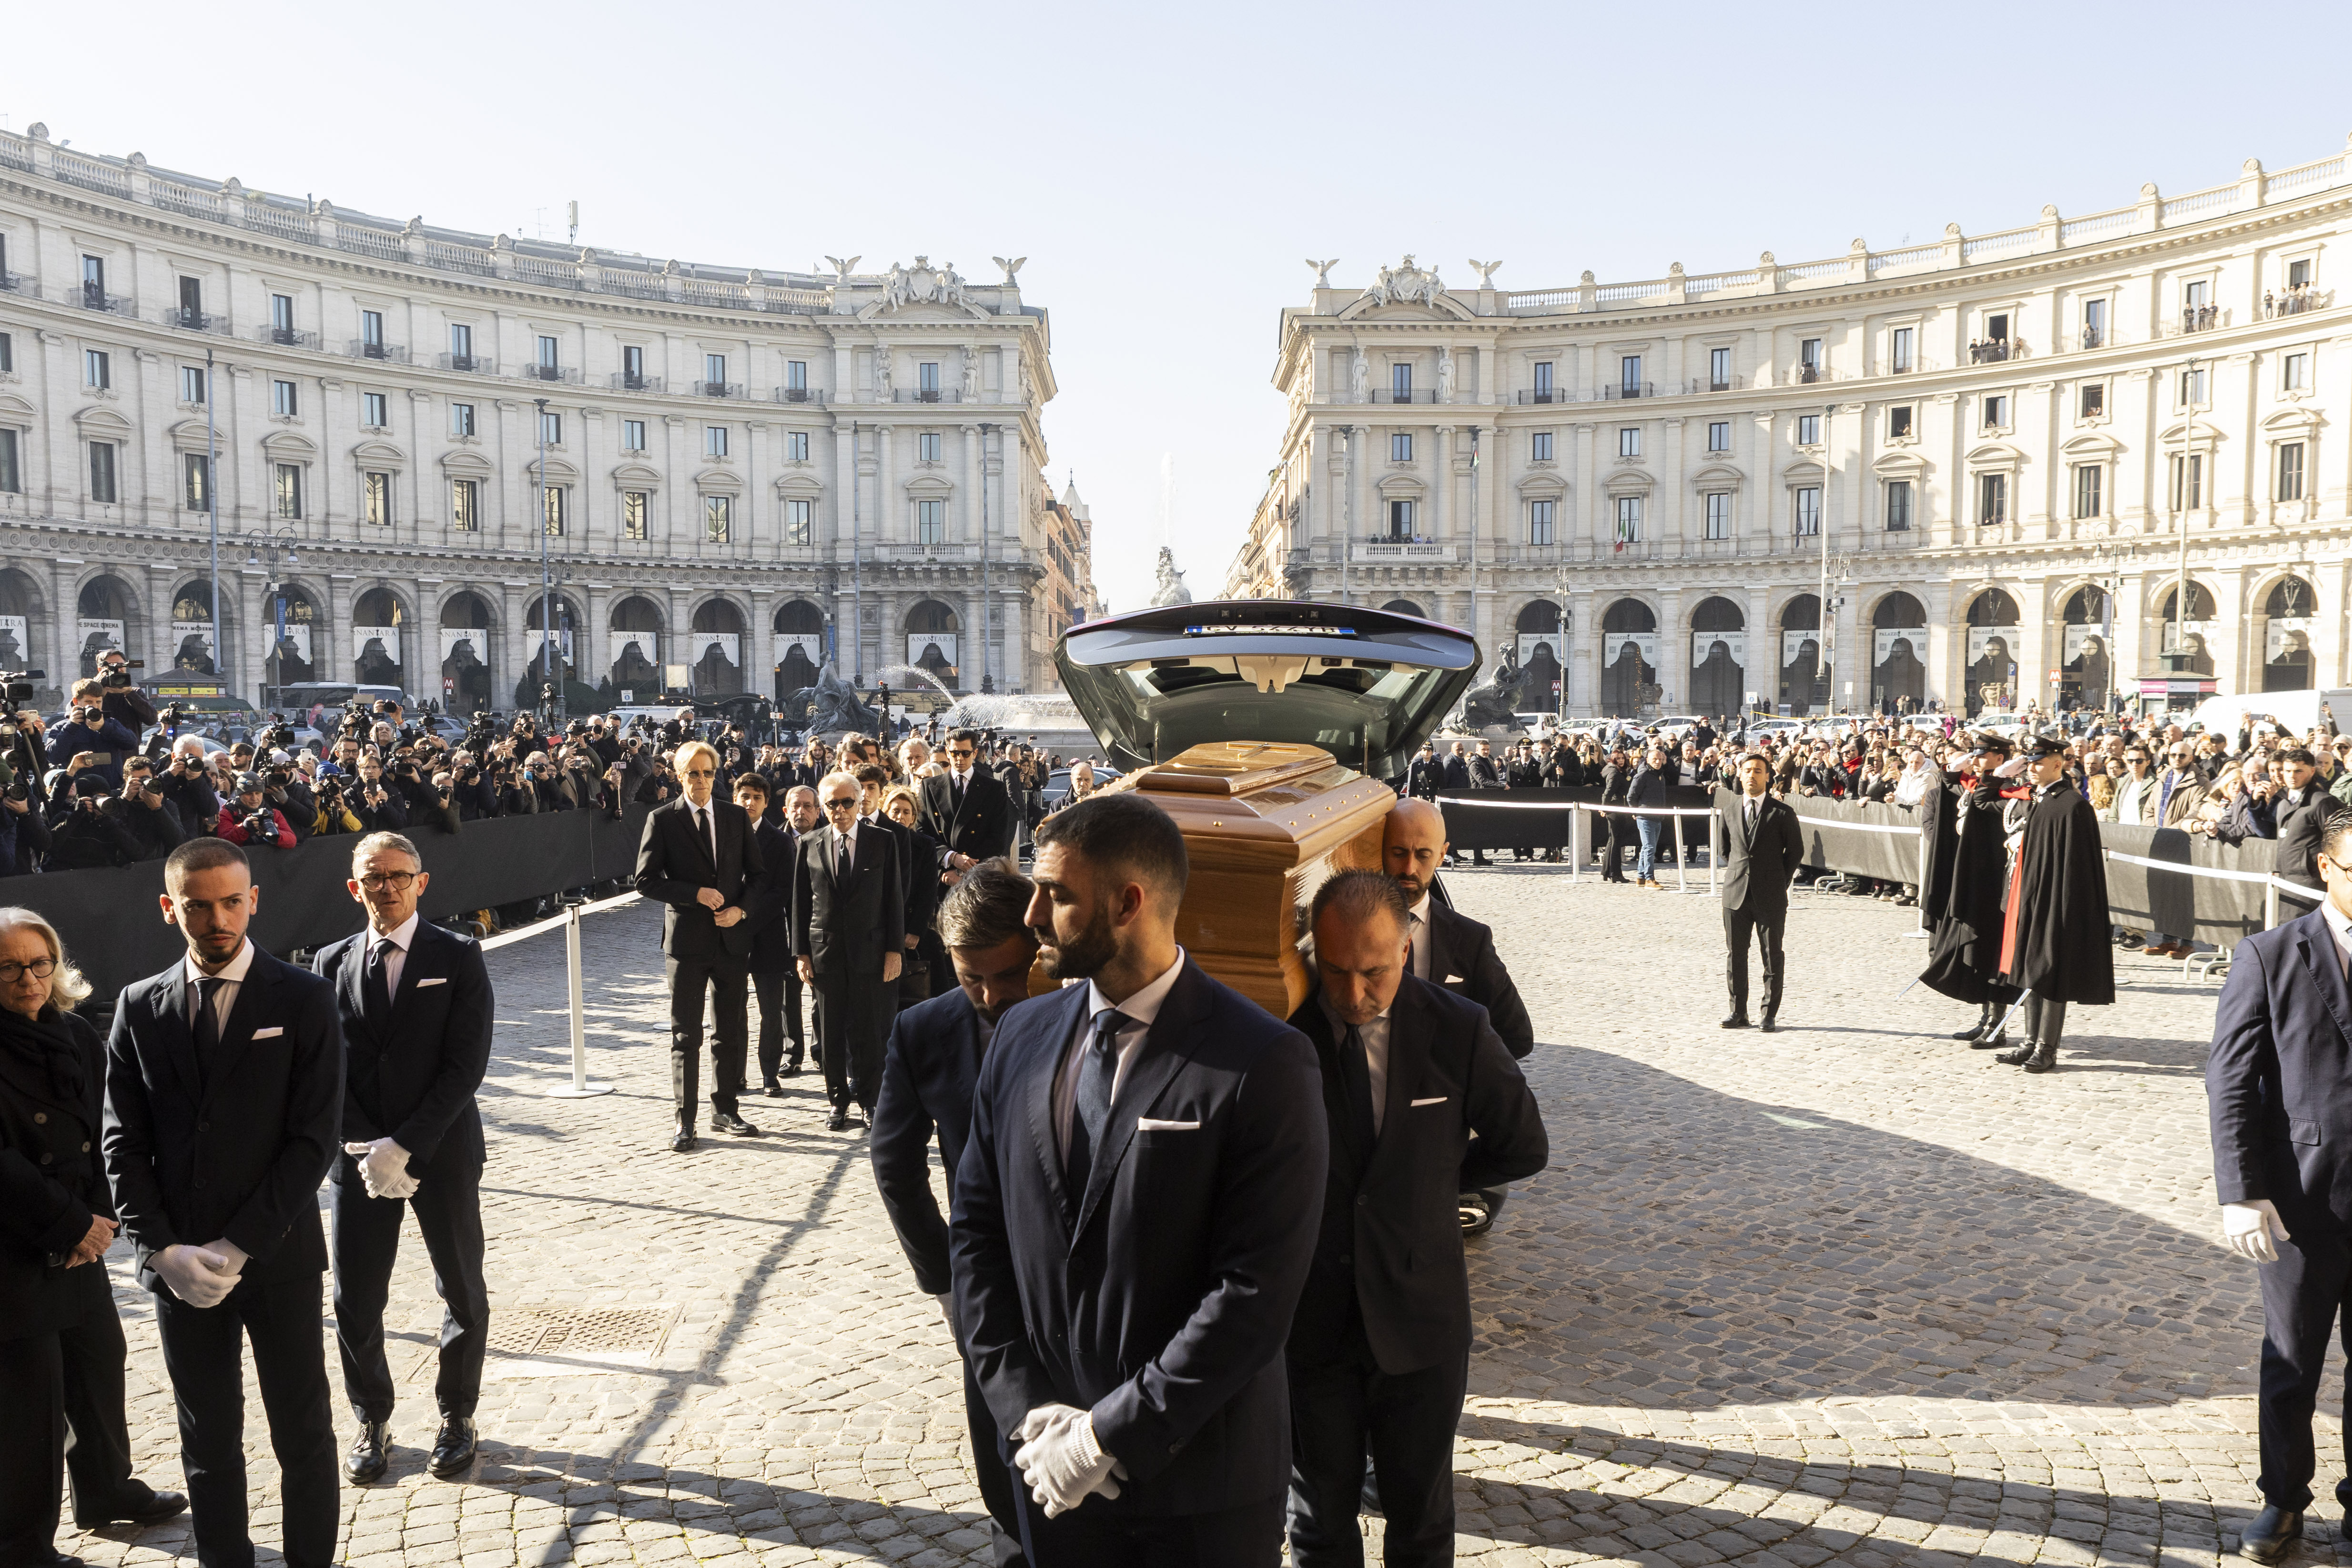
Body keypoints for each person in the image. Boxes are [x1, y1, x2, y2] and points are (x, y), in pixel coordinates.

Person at [950, 793, 1328, 1566]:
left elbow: (1255, 1294)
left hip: (1202, 1489)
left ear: (1128, 904)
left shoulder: (1261, 1061)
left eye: (1056, 895)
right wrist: (1029, 1417)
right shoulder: (1020, 1033)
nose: (1029, 917)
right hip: (1048, 1475)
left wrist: (1108, 1433)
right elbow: (977, 1236)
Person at [1281, 871, 1547, 1567]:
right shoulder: (1283, 1034)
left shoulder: (1458, 1028)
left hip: (1422, 1320)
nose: (1353, 992)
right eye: (1335, 969)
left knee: (1422, 1519)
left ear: (1406, 948)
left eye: (1373, 971)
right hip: (1312, 1324)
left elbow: (1524, 1144)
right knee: (1316, 1518)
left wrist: (1429, 1188)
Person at [101, 838, 343, 1568]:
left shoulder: (304, 996)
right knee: (206, 1436)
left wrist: (240, 1244)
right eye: (199, 904)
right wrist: (160, 1248)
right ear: (171, 907)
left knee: (302, 1428)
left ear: (254, 900)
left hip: (277, 1257)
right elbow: (121, 1142)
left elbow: (313, 1138)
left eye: (232, 901)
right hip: (180, 1267)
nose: (218, 918)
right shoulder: (139, 1005)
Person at [0, 908, 185, 1563]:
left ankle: (106, 1489)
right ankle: (23, 1544)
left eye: (40, 961)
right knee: (31, 1404)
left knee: (100, 1362)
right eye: (12, 966)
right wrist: (71, 1223)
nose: (30, 977)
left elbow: (109, 1129)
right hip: (16, 1251)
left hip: (82, 1240)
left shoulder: (76, 1031)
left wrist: (101, 1220)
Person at [871, 859, 1041, 1565]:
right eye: (972, 977)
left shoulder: (1084, 1009)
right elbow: (894, 1160)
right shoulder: (924, 1029)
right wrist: (946, 1280)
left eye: (1008, 974)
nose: (993, 994)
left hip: (1083, 1284)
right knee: (1004, 1469)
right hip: (983, 1287)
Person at [313, 832, 495, 1487]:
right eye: (372, 876)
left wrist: (407, 1143)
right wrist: (368, 1144)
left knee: (461, 1289)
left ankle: (458, 1413)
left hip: (440, 1152)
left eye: (397, 875)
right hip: (359, 1159)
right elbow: (324, 1068)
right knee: (355, 1298)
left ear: (421, 881)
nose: (385, 886)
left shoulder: (458, 954)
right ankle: (372, 1416)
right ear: (353, 886)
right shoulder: (330, 961)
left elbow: (465, 1064)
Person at [2207, 808, 2352, 1563]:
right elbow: (2231, 1079)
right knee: (2293, 1361)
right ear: (2326, 868)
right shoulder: (2270, 953)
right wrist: (2240, 1188)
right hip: (2302, 1198)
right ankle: (2283, 1500)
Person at [634, 739, 767, 1152]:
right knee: (686, 1033)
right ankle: (685, 1119)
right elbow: (645, 880)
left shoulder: (734, 816)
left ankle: (725, 1107)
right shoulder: (663, 819)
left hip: (730, 940)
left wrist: (740, 911)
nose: (702, 780)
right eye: (693, 773)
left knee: (730, 1029)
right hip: (687, 943)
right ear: (678, 775)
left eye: (708, 773)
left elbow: (759, 876)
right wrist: (696, 894)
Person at [1990, 735, 2118, 1072]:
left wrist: (2064, 907)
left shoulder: (2073, 805)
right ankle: (2030, 1041)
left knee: (2052, 971)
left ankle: (2047, 1048)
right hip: (2031, 898)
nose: (2031, 767)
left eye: (2038, 762)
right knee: (2031, 968)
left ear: (2058, 764)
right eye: (2029, 761)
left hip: (2058, 903)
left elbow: (2075, 867)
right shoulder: (2040, 801)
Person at [792, 769, 905, 1131]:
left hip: (870, 954)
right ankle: (837, 1100)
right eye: (832, 804)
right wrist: (801, 953)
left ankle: (870, 1102)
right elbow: (798, 904)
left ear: (860, 802)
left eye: (846, 802)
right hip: (825, 954)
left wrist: (894, 950)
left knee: (870, 1033)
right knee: (830, 1033)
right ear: (823, 807)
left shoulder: (883, 841)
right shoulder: (809, 843)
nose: (839, 810)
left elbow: (894, 900)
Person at [1719, 753, 1805, 1032]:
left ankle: (1769, 1013)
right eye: (1747, 770)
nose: (1752, 775)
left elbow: (1795, 852)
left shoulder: (1782, 812)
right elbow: (1725, 851)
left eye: (1758, 771)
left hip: (1770, 896)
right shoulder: (1729, 810)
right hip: (1736, 895)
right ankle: (1738, 1012)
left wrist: (1779, 881)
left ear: (1768, 776)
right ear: (1739, 774)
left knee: (1772, 955)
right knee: (1736, 955)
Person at [736, 776, 809, 1092]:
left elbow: (782, 891)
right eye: (744, 797)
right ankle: (735, 1073)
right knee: (733, 1009)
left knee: (771, 1009)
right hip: (730, 937)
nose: (750, 802)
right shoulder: (725, 834)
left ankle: (769, 1072)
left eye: (756, 797)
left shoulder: (779, 841)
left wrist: (745, 915)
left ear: (767, 803)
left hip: (768, 934)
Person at [921, 728, 1017, 872]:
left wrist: (962, 870)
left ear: (975, 754)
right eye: (955, 753)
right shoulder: (930, 786)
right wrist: (950, 857)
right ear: (948, 753)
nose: (960, 758)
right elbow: (922, 830)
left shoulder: (994, 789)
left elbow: (998, 838)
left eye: (966, 753)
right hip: (941, 872)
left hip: (977, 873)